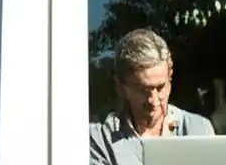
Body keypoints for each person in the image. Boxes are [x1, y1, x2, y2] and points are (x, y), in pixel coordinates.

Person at [89, 28, 215, 164]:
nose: (153, 101)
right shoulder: (101, 140)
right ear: (120, 88)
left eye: (160, 87)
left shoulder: (197, 129)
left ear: (170, 77)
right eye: (143, 90)